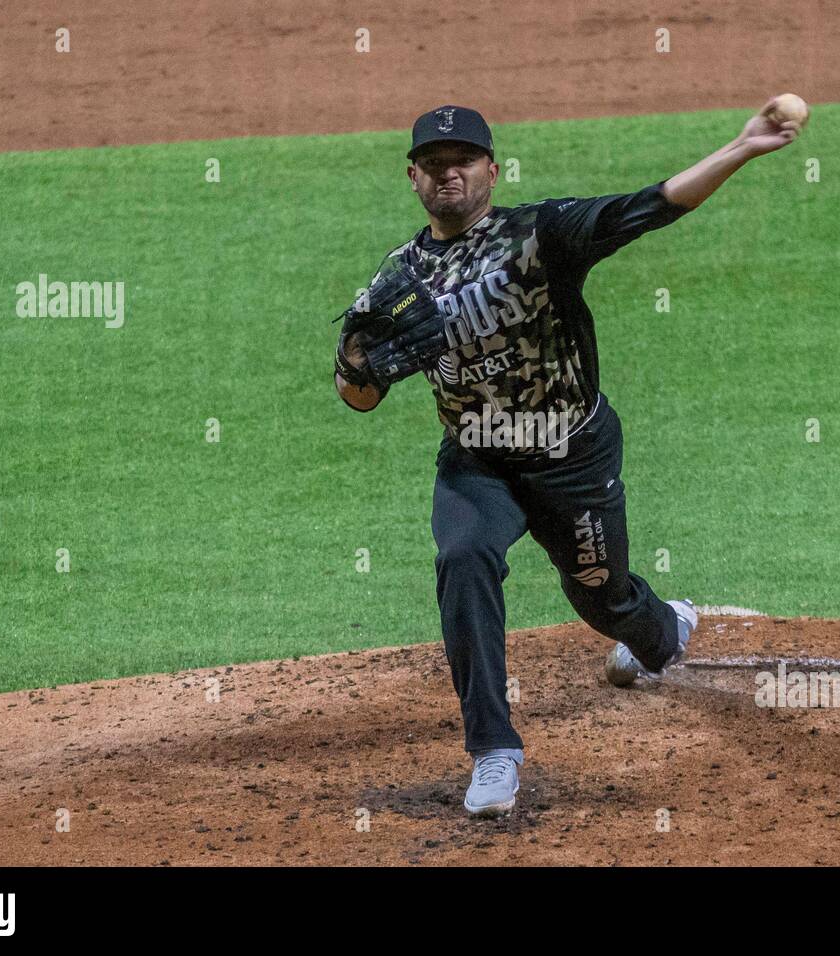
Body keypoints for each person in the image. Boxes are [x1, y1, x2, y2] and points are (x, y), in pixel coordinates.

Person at [335, 102, 800, 816]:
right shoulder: (397, 280)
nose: (448, 174)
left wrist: (740, 147)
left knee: (603, 597)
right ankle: (493, 751)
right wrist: (353, 362)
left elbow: (651, 206)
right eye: (433, 164)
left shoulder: (541, 233)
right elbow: (360, 398)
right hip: (477, 463)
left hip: (572, 456)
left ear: (492, 170)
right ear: (413, 178)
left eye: (462, 161)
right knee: (463, 558)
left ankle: (662, 631)